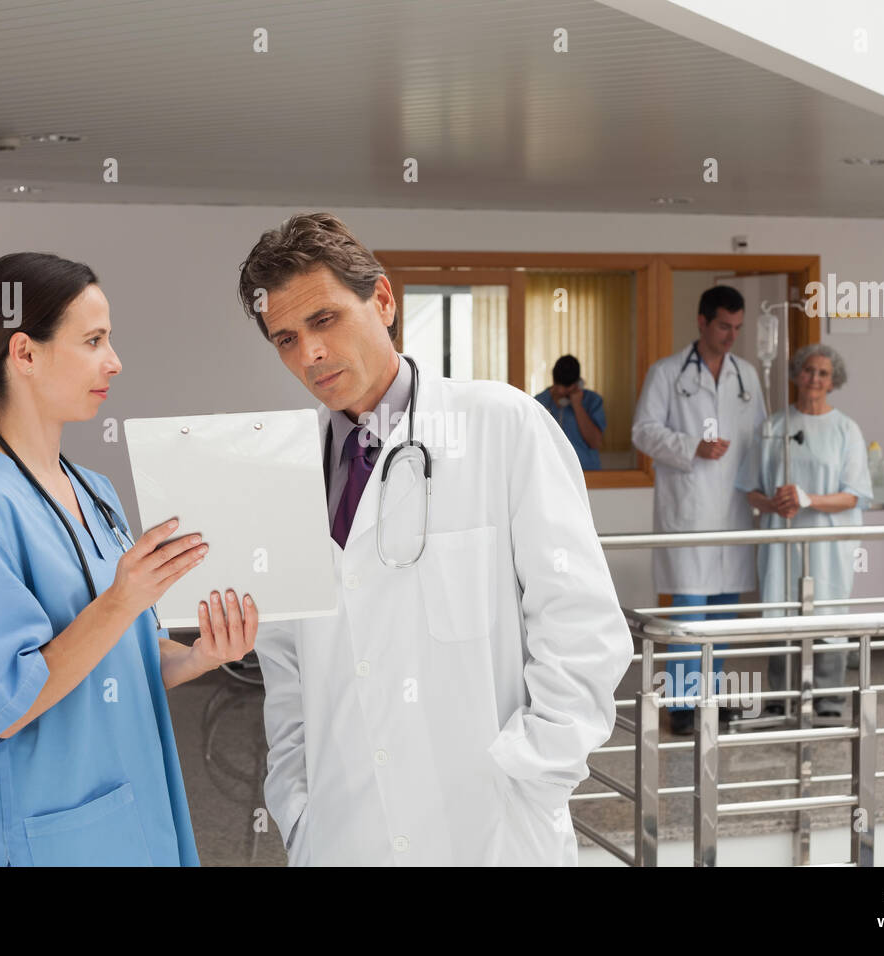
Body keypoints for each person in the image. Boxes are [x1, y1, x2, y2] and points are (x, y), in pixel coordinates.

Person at [237, 213, 633, 866]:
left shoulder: (502, 425)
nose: (309, 354)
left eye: (324, 320)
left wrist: (531, 783)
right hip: (343, 835)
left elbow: (581, 628)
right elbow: (286, 671)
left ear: (383, 300)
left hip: (491, 831)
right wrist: (298, 805)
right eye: (286, 338)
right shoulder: (289, 473)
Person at [0, 252, 257, 866]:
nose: (115, 361)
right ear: (24, 354)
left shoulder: (94, 490)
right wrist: (122, 599)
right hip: (50, 831)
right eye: (94, 340)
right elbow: (8, 703)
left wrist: (203, 656)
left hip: (136, 807)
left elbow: (128, 655)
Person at [630, 286, 766, 735]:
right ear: (703, 322)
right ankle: (681, 705)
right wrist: (692, 446)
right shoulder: (667, 372)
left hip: (733, 511)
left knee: (724, 613)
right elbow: (642, 431)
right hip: (689, 512)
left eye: (738, 328)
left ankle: (711, 697)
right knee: (689, 615)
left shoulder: (747, 376)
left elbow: (760, 437)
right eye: (724, 326)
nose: (731, 335)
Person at [735, 343, 873, 720]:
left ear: (834, 381)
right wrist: (773, 504)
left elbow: (854, 495)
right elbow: (750, 489)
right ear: (797, 374)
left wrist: (808, 499)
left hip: (829, 540)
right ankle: (781, 697)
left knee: (828, 612)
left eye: (823, 373)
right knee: (782, 611)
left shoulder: (846, 430)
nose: (814, 378)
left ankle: (828, 700)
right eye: (809, 370)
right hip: (782, 538)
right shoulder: (773, 428)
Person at [534, 354, 606, 469]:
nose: (561, 392)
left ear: (577, 383)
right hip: (551, 470)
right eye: (559, 387)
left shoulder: (592, 401)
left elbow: (595, 442)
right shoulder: (539, 402)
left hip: (586, 470)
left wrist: (577, 406)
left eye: (567, 388)